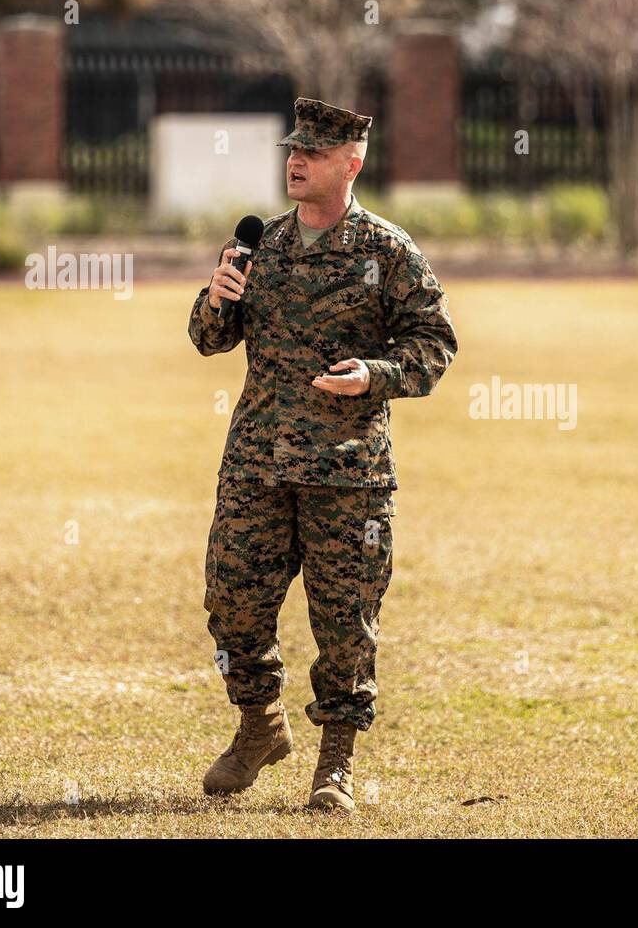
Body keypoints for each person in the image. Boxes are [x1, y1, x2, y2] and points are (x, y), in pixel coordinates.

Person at [187, 97, 457, 813]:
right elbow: (210, 339)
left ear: (352, 163)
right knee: (231, 601)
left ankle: (334, 765)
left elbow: (434, 346)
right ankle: (259, 726)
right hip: (256, 462)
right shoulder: (259, 245)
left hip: (347, 471)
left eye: (312, 152)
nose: (296, 161)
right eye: (292, 149)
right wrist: (216, 299)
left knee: (345, 624)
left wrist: (376, 374)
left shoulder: (387, 251)